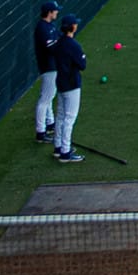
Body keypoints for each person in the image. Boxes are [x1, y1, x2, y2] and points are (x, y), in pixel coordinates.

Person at [51, 14, 86, 163]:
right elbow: (82, 65)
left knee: (60, 116)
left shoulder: (58, 43)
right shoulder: (73, 45)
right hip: (72, 85)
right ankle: (65, 152)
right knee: (69, 118)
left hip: (61, 83)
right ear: (72, 27)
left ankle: (58, 148)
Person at [32, 0, 61, 144]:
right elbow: (52, 48)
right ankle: (40, 132)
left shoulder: (48, 26)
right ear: (49, 12)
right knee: (45, 99)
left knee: (49, 96)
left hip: (52, 65)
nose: (57, 12)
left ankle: (50, 124)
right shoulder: (42, 28)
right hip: (49, 66)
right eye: (55, 10)